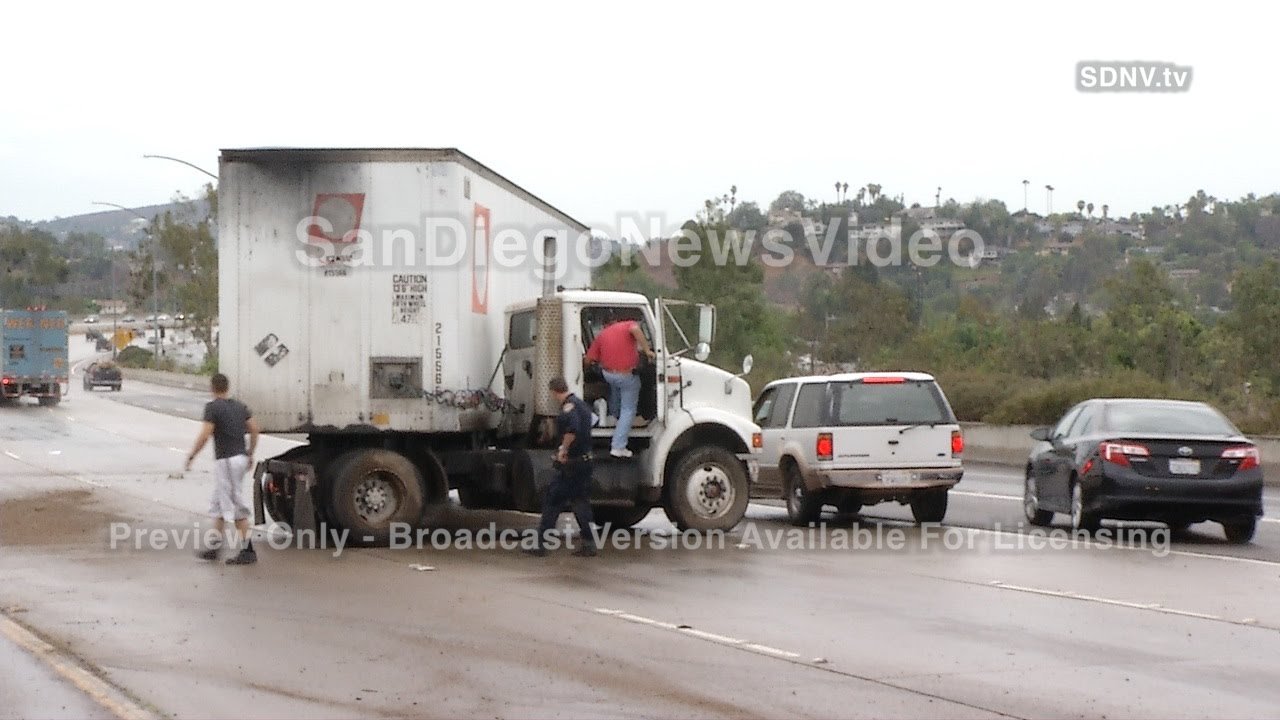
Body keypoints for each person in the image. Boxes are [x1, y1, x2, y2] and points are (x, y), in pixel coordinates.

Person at [185, 373, 261, 565]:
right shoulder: (239, 406)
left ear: (212, 388)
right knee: (219, 502)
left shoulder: (212, 408)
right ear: (227, 387)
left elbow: (205, 435)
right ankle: (214, 547)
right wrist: (250, 453)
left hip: (226, 460)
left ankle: (248, 550)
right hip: (240, 458)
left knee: (235, 504)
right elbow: (254, 429)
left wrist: (192, 455)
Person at [526, 377, 598, 557]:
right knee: (580, 502)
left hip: (572, 465)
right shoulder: (582, 405)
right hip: (584, 461)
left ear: (553, 391)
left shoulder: (568, 407)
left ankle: (541, 544)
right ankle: (590, 543)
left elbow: (572, 430)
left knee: (552, 501)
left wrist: (563, 450)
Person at [583, 311, 655, 458]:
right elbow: (635, 329)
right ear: (616, 320)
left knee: (615, 388)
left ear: (604, 324)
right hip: (626, 375)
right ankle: (618, 446)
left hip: (609, 374)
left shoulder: (601, 336)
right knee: (628, 409)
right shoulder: (627, 325)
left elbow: (588, 361)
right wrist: (647, 351)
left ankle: (614, 415)